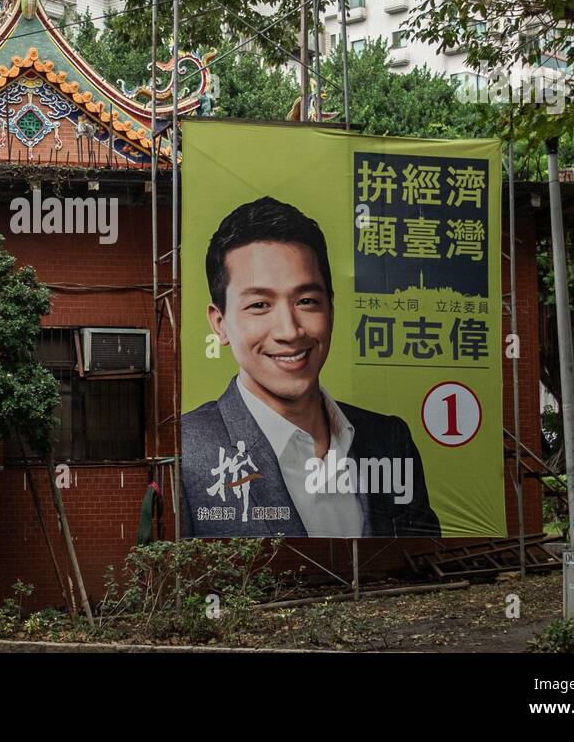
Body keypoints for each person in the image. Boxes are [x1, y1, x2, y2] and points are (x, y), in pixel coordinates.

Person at [181, 197, 440, 539]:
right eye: (259, 305)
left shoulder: (389, 440)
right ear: (220, 323)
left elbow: (423, 566)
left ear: (331, 309)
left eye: (306, 302)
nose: (290, 331)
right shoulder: (184, 453)